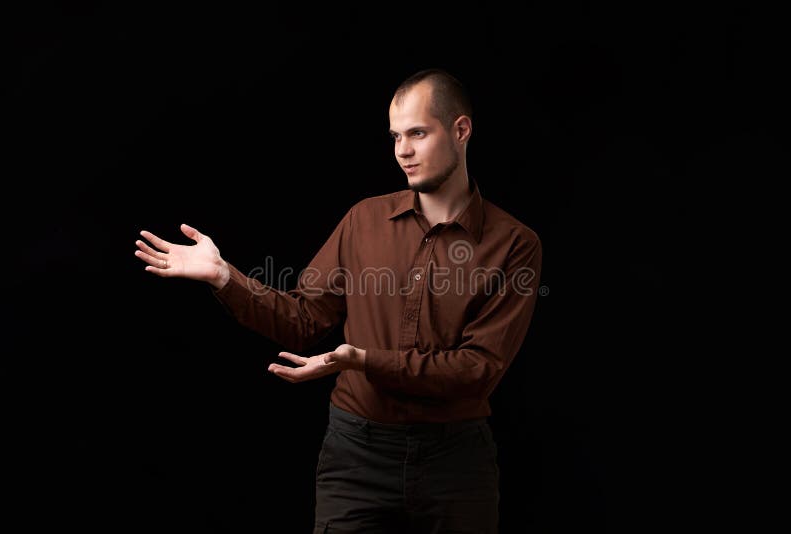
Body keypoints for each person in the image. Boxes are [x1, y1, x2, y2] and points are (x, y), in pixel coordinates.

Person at [135, 68, 542, 533]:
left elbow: (477, 371)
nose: (402, 151)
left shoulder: (514, 244)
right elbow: (303, 320)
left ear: (461, 130)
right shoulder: (363, 219)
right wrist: (225, 277)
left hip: (457, 463)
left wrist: (363, 359)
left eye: (417, 134)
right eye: (394, 136)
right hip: (356, 455)